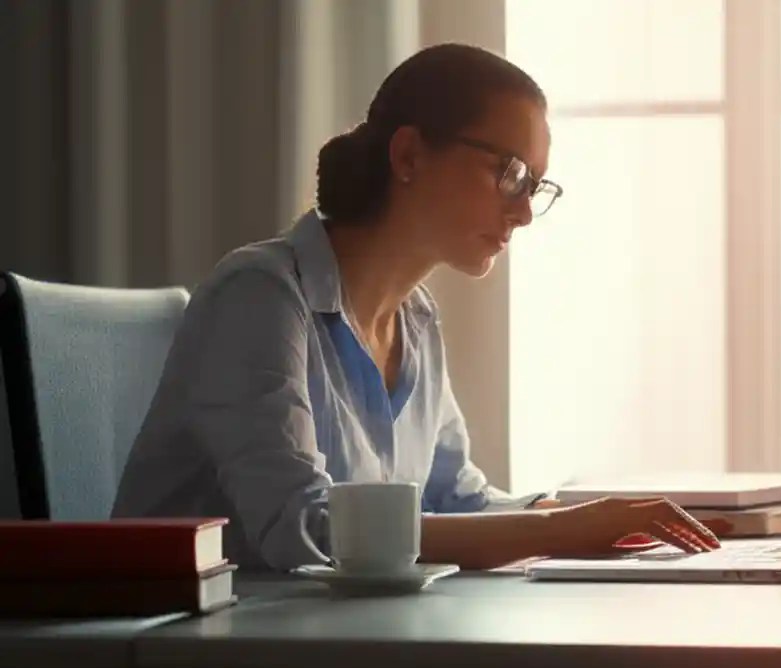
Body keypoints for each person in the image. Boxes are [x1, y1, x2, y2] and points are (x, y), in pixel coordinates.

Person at [111, 43, 719, 571]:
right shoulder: (260, 296)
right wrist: (558, 532)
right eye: (509, 173)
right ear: (408, 156)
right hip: (202, 662)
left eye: (534, 184)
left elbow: (456, 500)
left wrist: (591, 518)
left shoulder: (416, 320)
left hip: (333, 645)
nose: (525, 210)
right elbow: (303, 532)